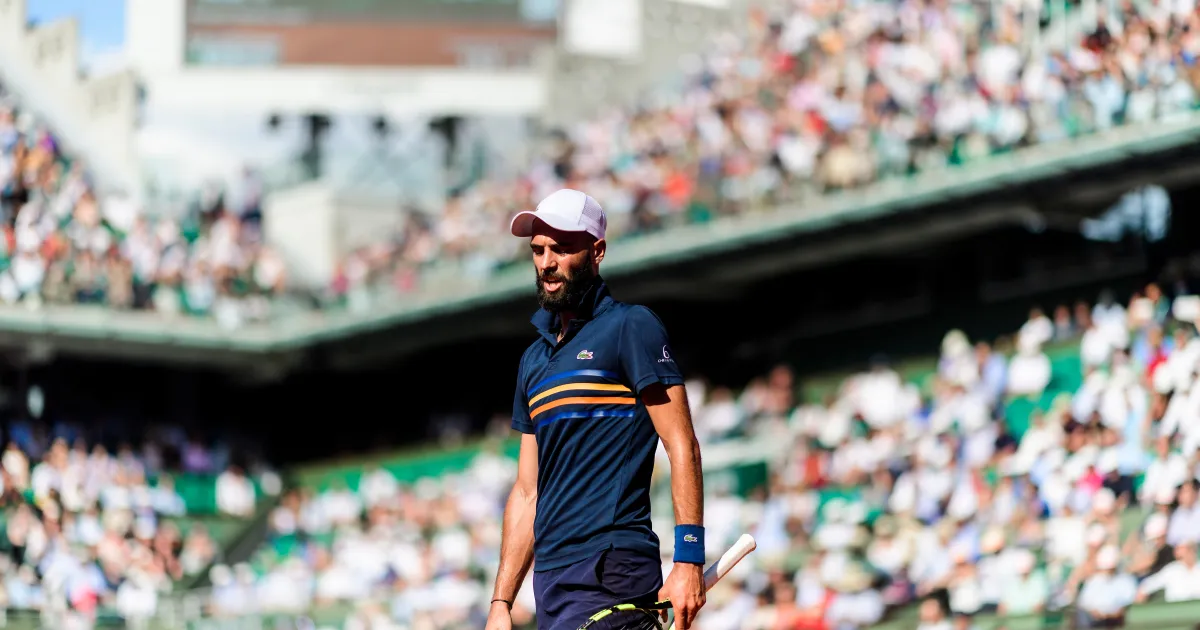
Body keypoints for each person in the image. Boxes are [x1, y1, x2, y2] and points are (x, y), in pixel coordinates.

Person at [486, 189, 707, 630]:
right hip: (550, 581)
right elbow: (528, 491)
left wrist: (689, 562)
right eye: (538, 250)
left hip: (611, 567)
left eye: (562, 249)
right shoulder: (533, 360)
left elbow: (681, 444)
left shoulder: (631, 326)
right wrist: (502, 603)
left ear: (597, 251)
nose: (546, 263)